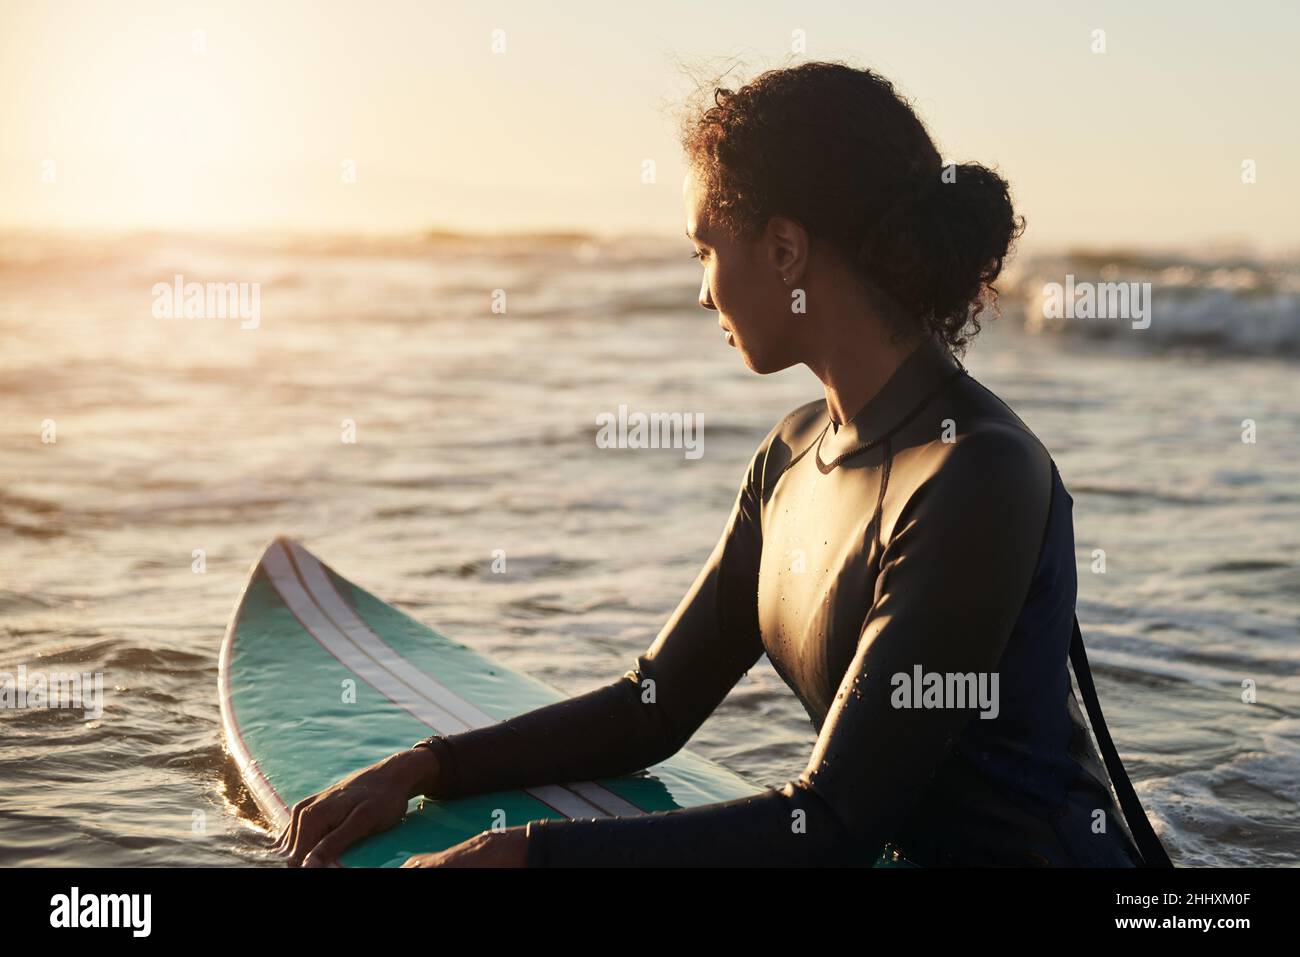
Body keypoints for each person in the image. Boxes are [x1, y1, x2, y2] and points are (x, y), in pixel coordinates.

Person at [274, 60, 1170, 868]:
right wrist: (430, 767)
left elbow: (832, 825)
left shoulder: (975, 475)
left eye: (706, 247)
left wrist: (531, 859)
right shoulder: (789, 457)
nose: (703, 287)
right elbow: (652, 707)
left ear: (784, 250)